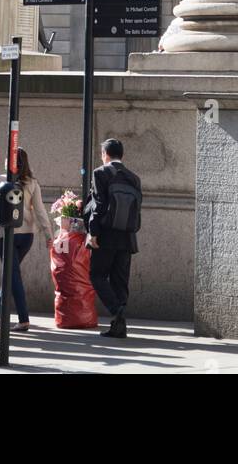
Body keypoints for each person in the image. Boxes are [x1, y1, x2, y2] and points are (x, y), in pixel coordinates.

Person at [85, 137, 142, 339]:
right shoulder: (134, 177)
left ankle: (116, 309)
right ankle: (119, 327)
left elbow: (98, 204)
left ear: (104, 155)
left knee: (97, 275)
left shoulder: (100, 173)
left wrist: (93, 232)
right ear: (122, 155)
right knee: (120, 281)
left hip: (106, 235)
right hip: (128, 237)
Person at [0, 146, 52, 333]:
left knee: (13, 275)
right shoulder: (32, 182)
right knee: (10, 274)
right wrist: (48, 234)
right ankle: (0, 312)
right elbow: (40, 210)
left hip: (7, 234)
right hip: (27, 235)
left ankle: (23, 318)